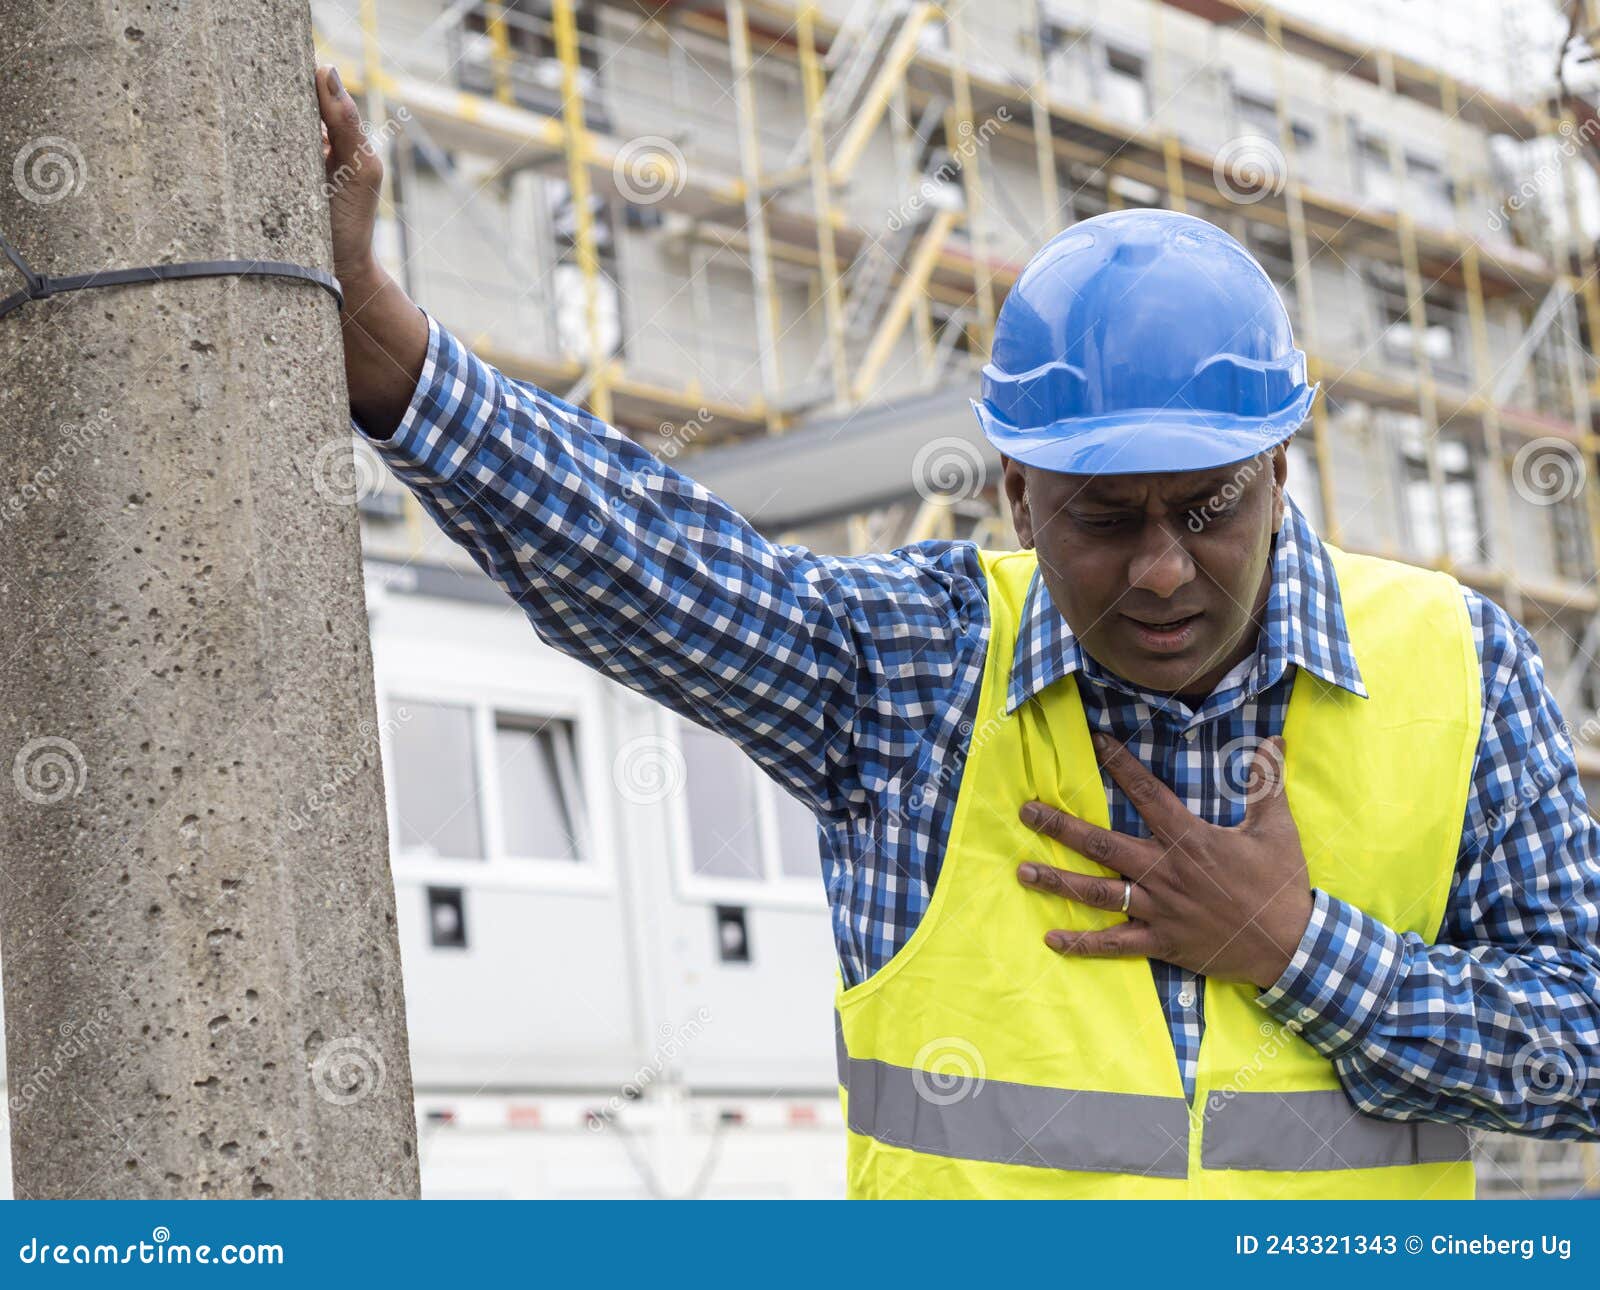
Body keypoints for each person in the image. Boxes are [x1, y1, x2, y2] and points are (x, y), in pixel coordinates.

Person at [316, 67, 1600, 1198]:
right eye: (1105, 519)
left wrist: (1304, 952)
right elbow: (660, 568)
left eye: (1207, 508)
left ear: (1280, 476)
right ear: (1018, 498)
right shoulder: (916, 677)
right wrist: (384, 344)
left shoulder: (1456, 663)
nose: (1159, 571)